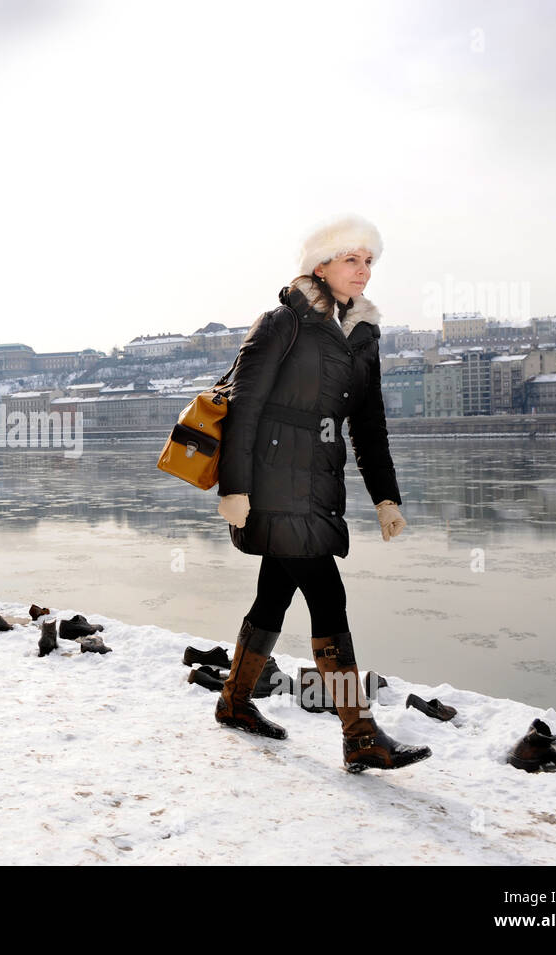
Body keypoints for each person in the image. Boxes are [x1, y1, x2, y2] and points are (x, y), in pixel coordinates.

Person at [212, 212, 430, 773]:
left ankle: (235, 703)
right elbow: (245, 407)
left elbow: (369, 422)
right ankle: (359, 733)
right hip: (273, 483)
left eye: (369, 262)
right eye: (352, 259)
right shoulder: (281, 323)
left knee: (273, 596)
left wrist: (386, 497)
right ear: (321, 264)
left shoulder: (363, 336)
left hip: (320, 485)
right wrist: (234, 489)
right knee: (328, 598)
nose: (364, 272)